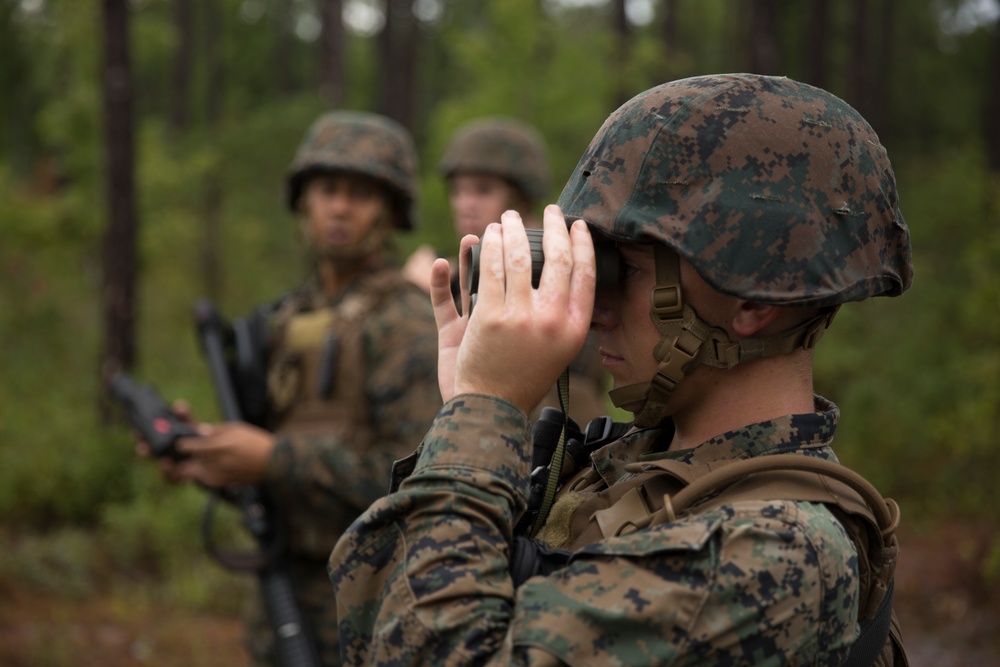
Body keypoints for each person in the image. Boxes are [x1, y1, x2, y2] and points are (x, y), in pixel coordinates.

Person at [328, 74, 912, 665]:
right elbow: (372, 618)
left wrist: (485, 409)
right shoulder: (630, 468)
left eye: (622, 270)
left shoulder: (775, 553)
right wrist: (470, 421)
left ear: (756, 299)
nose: (590, 307)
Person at [149, 111, 441, 666]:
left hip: (371, 605)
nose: (339, 207)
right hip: (280, 597)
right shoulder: (286, 319)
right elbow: (270, 464)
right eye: (327, 189)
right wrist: (213, 457)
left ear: (391, 209)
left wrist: (271, 459)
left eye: (360, 193)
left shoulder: (407, 324)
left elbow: (417, 480)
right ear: (303, 202)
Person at [404, 117, 609, 426]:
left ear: (522, 197)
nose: (465, 204)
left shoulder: (560, 270)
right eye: (458, 191)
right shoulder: (451, 271)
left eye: (482, 190)